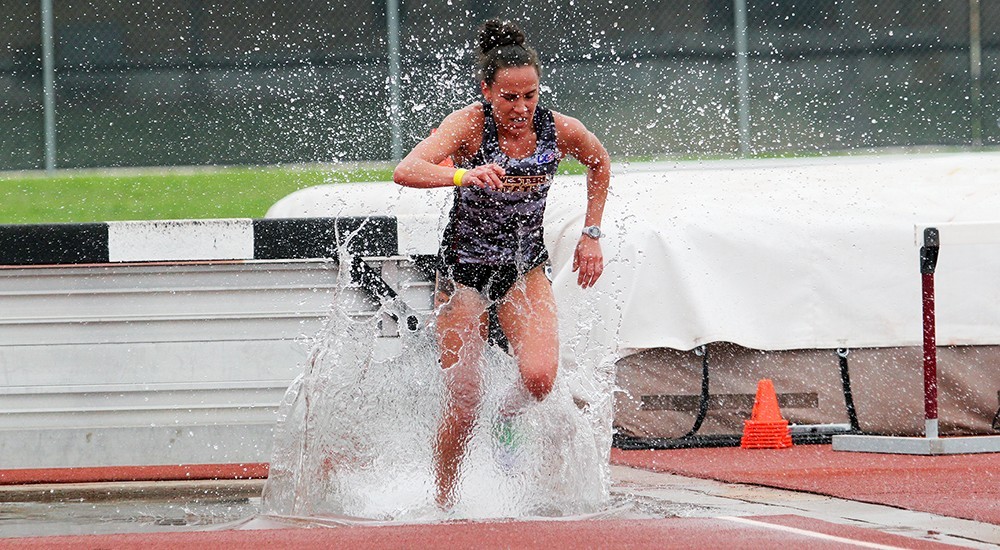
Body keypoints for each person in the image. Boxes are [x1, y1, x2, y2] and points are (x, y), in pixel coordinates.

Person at [392, 19, 610, 509]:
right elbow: (406, 169)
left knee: (539, 379)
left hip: (522, 267)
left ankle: (505, 420)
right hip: (463, 273)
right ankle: (443, 503)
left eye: (529, 95)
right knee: (465, 400)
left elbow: (599, 161)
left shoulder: (559, 130)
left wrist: (591, 234)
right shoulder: (468, 124)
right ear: (487, 91)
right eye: (509, 98)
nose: (521, 108)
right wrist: (463, 175)